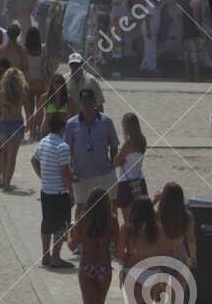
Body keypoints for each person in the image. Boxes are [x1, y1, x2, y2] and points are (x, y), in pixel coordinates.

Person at [70, 188, 116, 304]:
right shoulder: (112, 221)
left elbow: (72, 246)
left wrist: (68, 234)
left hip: (87, 266)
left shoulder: (83, 220)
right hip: (104, 266)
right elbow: (118, 248)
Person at [154, 183, 197, 304]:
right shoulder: (186, 216)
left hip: (161, 260)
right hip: (179, 260)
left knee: (158, 297)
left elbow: (142, 219)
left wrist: (153, 201)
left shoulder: (158, 214)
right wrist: (193, 257)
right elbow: (191, 240)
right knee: (177, 302)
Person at [65, 90, 118, 222]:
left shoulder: (106, 121)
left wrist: (112, 163)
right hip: (81, 175)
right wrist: (70, 173)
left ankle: (113, 235)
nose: (87, 106)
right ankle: (78, 235)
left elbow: (114, 144)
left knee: (111, 204)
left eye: (90, 102)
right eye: (84, 103)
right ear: (80, 104)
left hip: (105, 173)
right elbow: (67, 150)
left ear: (95, 103)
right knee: (81, 206)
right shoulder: (71, 124)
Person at [32, 112, 75, 268]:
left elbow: (33, 161)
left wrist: (43, 177)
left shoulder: (43, 142)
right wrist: (71, 191)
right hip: (59, 192)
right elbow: (65, 172)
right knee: (61, 225)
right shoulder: (63, 146)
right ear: (63, 128)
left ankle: (45, 256)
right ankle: (56, 257)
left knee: (47, 223)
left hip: (46, 190)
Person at [113, 113, 148, 228]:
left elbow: (116, 162)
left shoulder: (128, 143)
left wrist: (121, 160)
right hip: (139, 180)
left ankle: (130, 245)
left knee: (128, 222)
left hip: (126, 182)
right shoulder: (143, 141)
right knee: (140, 218)